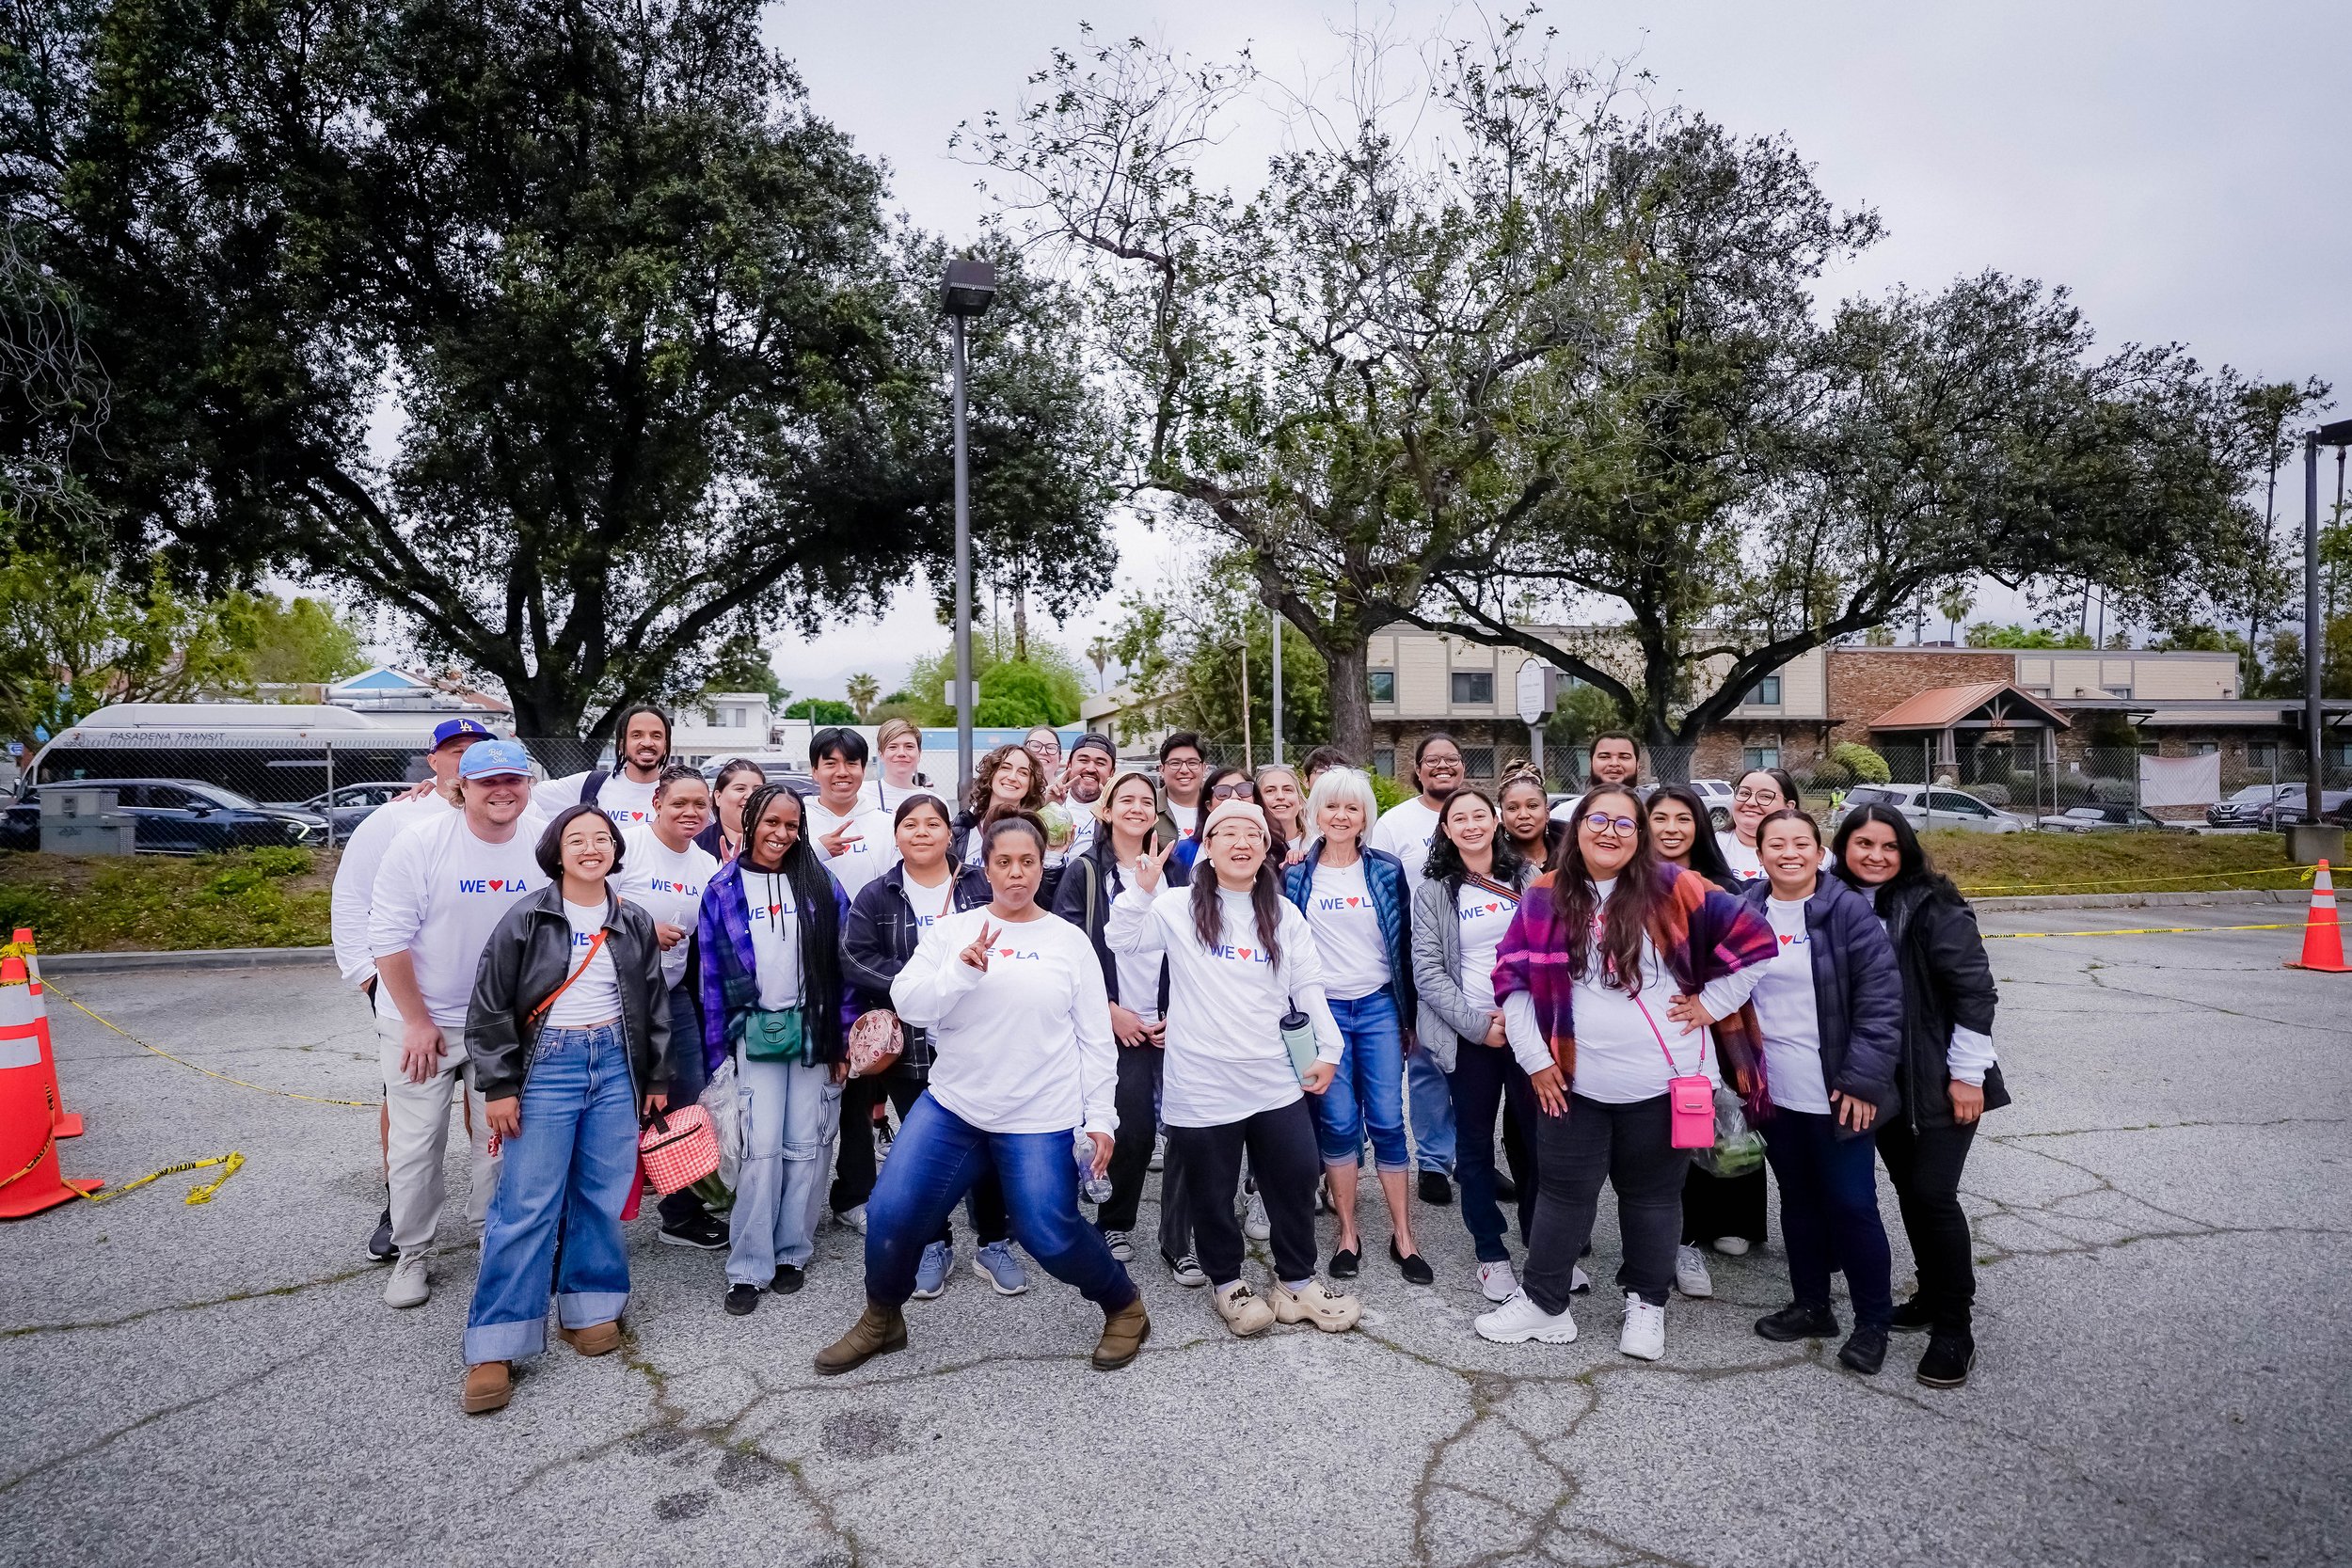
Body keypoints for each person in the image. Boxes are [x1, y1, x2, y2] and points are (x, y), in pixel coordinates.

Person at [815, 816, 1152, 1376]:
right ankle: (882, 1319)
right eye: (1003, 862)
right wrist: (961, 970)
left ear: (1041, 864)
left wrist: (1102, 1120)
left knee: (1049, 1231)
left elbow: (1096, 1039)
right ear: (986, 866)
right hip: (955, 1108)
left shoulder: (1068, 943)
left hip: (1038, 1115)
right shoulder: (953, 932)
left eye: (1027, 862)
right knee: (892, 1212)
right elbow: (912, 1004)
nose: (1015, 873)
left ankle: (1125, 1306)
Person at [1479, 785, 1777, 1361]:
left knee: (1653, 1198)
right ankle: (1545, 1302)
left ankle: (1647, 1305)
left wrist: (1711, 1005)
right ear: (1578, 828)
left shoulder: (1677, 887)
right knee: (1564, 1195)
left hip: (1664, 1085)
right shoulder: (1543, 896)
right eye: (1598, 820)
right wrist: (1536, 1061)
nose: (1610, 832)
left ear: (1639, 835)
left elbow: (1756, 943)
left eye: (1624, 822)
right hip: (1573, 1082)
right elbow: (1512, 985)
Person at [1108, 800, 1363, 1338]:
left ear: (1267, 847)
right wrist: (1141, 889)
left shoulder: (1284, 913)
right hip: (1202, 1081)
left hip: (1274, 1077)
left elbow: (1307, 986)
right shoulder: (1176, 907)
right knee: (1212, 1187)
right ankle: (1228, 1284)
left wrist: (1330, 1049)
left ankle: (1296, 1283)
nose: (1242, 843)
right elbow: (1123, 940)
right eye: (1228, 833)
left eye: (1254, 833)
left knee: (1295, 1175)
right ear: (1208, 846)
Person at [457, 804, 671, 1413]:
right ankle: (494, 1343)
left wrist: (656, 1076)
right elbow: (491, 1004)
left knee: (602, 1194)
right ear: (556, 851)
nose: (590, 847)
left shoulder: (631, 921)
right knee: (526, 1203)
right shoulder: (527, 917)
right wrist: (499, 1084)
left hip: (614, 1064)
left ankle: (589, 1308)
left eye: (601, 838)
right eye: (577, 839)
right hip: (546, 1066)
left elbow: (653, 1004)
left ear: (615, 850)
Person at [367, 739, 546, 1308]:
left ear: (528, 786)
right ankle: (413, 1253)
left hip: (503, 1024)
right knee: (417, 1146)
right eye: (487, 781)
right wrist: (417, 1023)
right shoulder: (419, 844)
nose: (502, 791)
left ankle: (495, 1238)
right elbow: (388, 941)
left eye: (512, 780)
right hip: (425, 1020)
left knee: (499, 1144)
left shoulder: (542, 842)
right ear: (459, 788)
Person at [1833, 804, 2007, 1388]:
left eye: (1888, 845)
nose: (1876, 856)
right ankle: (1932, 1297)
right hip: (1878, 1078)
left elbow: (1975, 993)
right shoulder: (1834, 899)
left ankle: (1955, 1327)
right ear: (1844, 847)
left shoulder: (1933, 902)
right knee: (1910, 1192)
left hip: (1939, 1075)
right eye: (1863, 844)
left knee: (1933, 1193)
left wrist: (1967, 1075)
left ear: (1904, 850)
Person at [1740, 806, 1905, 1376]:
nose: (1789, 852)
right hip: (1775, 1092)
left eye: (1801, 843)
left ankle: (1873, 1323)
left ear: (1820, 852)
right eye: (1776, 843)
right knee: (1799, 1202)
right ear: (1758, 854)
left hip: (1840, 1092)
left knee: (1854, 1206)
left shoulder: (1849, 912)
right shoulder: (1747, 910)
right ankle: (1812, 1305)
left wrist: (1863, 1080)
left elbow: (1882, 1005)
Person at [839, 794, 1024, 1298]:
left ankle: (993, 1241)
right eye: (910, 824)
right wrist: (924, 982)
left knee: (986, 1143)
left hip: (978, 1037)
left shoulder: (978, 884)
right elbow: (854, 957)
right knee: (926, 1152)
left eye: (933, 823)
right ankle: (934, 1242)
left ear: (949, 833)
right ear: (896, 835)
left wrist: (964, 980)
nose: (921, 832)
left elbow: (1014, 943)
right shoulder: (878, 894)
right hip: (909, 1046)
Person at [331, 716, 493, 1262]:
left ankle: (492, 1216)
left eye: (477, 750)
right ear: (434, 761)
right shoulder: (398, 818)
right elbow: (353, 899)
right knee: (409, 1122)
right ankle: (397, 1209)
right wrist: (370, 979)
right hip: (416, 1004)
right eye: (454, 751)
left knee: (489, 1117)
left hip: (490, 1010)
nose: (464, 758)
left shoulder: (518, 811)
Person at [695, 783, 856, 1316]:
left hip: (812, 1030)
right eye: (772, 823)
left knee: (806, 1144)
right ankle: (748, 1265)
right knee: (758, 1149)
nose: (782, 835)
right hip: (753, 1033)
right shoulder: (723, 889)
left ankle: (792, 1251)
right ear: (748, 821)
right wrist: (720, 1053)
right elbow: (712, 978)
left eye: (792, 825)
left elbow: (843, 965)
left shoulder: (821, 884)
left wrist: (842, 1036)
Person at [1051, 769, 1194, 1275]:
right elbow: (1067, 949)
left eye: (1146, 801)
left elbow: (1196, 947)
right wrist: (1108, 1011)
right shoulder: (1085, 872)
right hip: (1112, 1019)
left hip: (1174, 1019)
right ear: (1106, 811)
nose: (1137, 807)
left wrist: (1183, 1011)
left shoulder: (1179, 870)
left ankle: (1180, 1241)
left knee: (1186, 1132)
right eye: (1125, 800)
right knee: (1130, 1130)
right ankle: (1115, 1221)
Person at [1281, 767, 1420, 1282]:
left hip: (1380, 1005)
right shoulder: (1294, 874)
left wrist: (1412, 1016)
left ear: (1365, 815)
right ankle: (1348, 1233)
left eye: (1352, 808)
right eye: (1331, 806)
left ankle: (1404, 1235)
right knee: (1338, 1123)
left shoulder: (1385, 870)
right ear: (1315, 811)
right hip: (1325, 1013)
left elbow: (1404, 946)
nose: (1341, 817)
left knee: (1386, 1117)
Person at [1412, 785, 1538, 1302]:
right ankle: (1490, 1250)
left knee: (1538, 1141)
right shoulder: (1436, 890)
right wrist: (1477, 1025)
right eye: (1458, 818)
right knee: (1474, 1141)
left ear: (1495, 822)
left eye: (1479, 816)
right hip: (1472, 1033)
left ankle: (1542, 1243)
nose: (1470, 825)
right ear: (1446, 830)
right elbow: (1428, 970)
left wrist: (1526, 1017)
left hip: (1529, 1028)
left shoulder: (1528, 878)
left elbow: (1553, 949)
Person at [1645, 784, 1757, 1288]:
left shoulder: (1721, 888)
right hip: (1657, 1033)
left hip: (1718, 1027)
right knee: (1679, 1136)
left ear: (1701, 826)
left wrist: (1709, 1006)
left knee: (1732, 1120)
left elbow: (1754, 957)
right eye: (1661, 819)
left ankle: (1737, 1219)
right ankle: (1684, 1242)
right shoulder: (1631, 884)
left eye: (1683, 819)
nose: (1671, 829)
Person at [619, 765, 724, 1251]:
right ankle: (597, 1208)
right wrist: (643, 929)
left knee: (688, 1094)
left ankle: (680, 1213)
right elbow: (586, 894)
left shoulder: (705, 866)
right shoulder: (628, 845)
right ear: (656, 802)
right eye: (679, 802)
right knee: (619, 1102)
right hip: (614, 996)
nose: (690, 812)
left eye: (699, 805)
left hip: (673, 994)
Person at [1372, 732, 1467, 1203]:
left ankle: (1472, 1158)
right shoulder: (1395, 823)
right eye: (1433, 760)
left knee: (1476, 1064)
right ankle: (1433, 1161)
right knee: (1428, 1061)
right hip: (1419, 958)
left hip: (1475, 957)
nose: (1443, 766)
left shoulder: (1477, 814)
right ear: (1418, 768)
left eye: (1451, 759)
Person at [804, 726, 899, 909]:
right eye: (830, 764)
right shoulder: (797, 823)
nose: (842, 772)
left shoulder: (887, 825)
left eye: (851, 763)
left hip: (871, 932)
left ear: (863, 769)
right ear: (815, 771)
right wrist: (817, 851)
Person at [540, 705, 673, 830]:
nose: (647, 742)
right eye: (636, 735)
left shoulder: (679, 793)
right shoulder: (589, 785)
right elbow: (526, 796)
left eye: (656, 736)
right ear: (622, 745)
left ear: (666, 746)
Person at [951, 744, 1045, 866]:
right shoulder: (962, 830)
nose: (1012, 777)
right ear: (991, 774)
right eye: (1005, 768)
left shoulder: (1036, 834)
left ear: (1030, 785)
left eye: (1023, 773)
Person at [1716, 767, 1804, 885]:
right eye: (1744, 793)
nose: (1750, 802)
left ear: (1788, 807)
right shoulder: (1710, 847)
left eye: (1765, 796)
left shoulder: (1810, 854)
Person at [862, 718, 947, 814]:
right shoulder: (861, 794)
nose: (901, 753)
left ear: (919, 753)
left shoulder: (936, 803)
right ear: (881, 754)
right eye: (893, 747)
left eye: (909, 746)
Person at [1057, 734, 1115, 861]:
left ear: (1112, 772)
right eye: (1083, 760)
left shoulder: (1118, 815)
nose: (1090, 768)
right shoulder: (1046, 804)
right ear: (1069, 765)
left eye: (1100, 763)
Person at [696, 757, 766, 861]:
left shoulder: (776, 843)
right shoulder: (696, 846)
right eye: (740, 789)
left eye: (758, 790)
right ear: (718, 797)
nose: (750, 795)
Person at [1498, 768, 1562, 875]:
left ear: (1547, 813)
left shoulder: (1575, 856)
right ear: (1503, 818)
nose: (1523, 815)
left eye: (1532, 806)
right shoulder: (1492, 861)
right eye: (1513, 808)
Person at [1152, 732, 1208, 845]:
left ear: (1204, 768)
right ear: (1162, 770)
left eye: (1192, 763)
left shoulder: (1218, 807)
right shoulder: (1149, 809)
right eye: (1175, 763)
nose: (1184, 770)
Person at [1256, 763, 1309, 863]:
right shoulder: (1252, 846)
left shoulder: (1318, 843)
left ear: (1300, 801)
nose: (1280, 796)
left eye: (1288, 790)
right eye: (1270, 790)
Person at [1025, 726, 1067, 795]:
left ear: (1060, 757)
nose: (1043, 752)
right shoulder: (1009, 791)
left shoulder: (1069, 795)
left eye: (1050, 747)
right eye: (1036, 746)